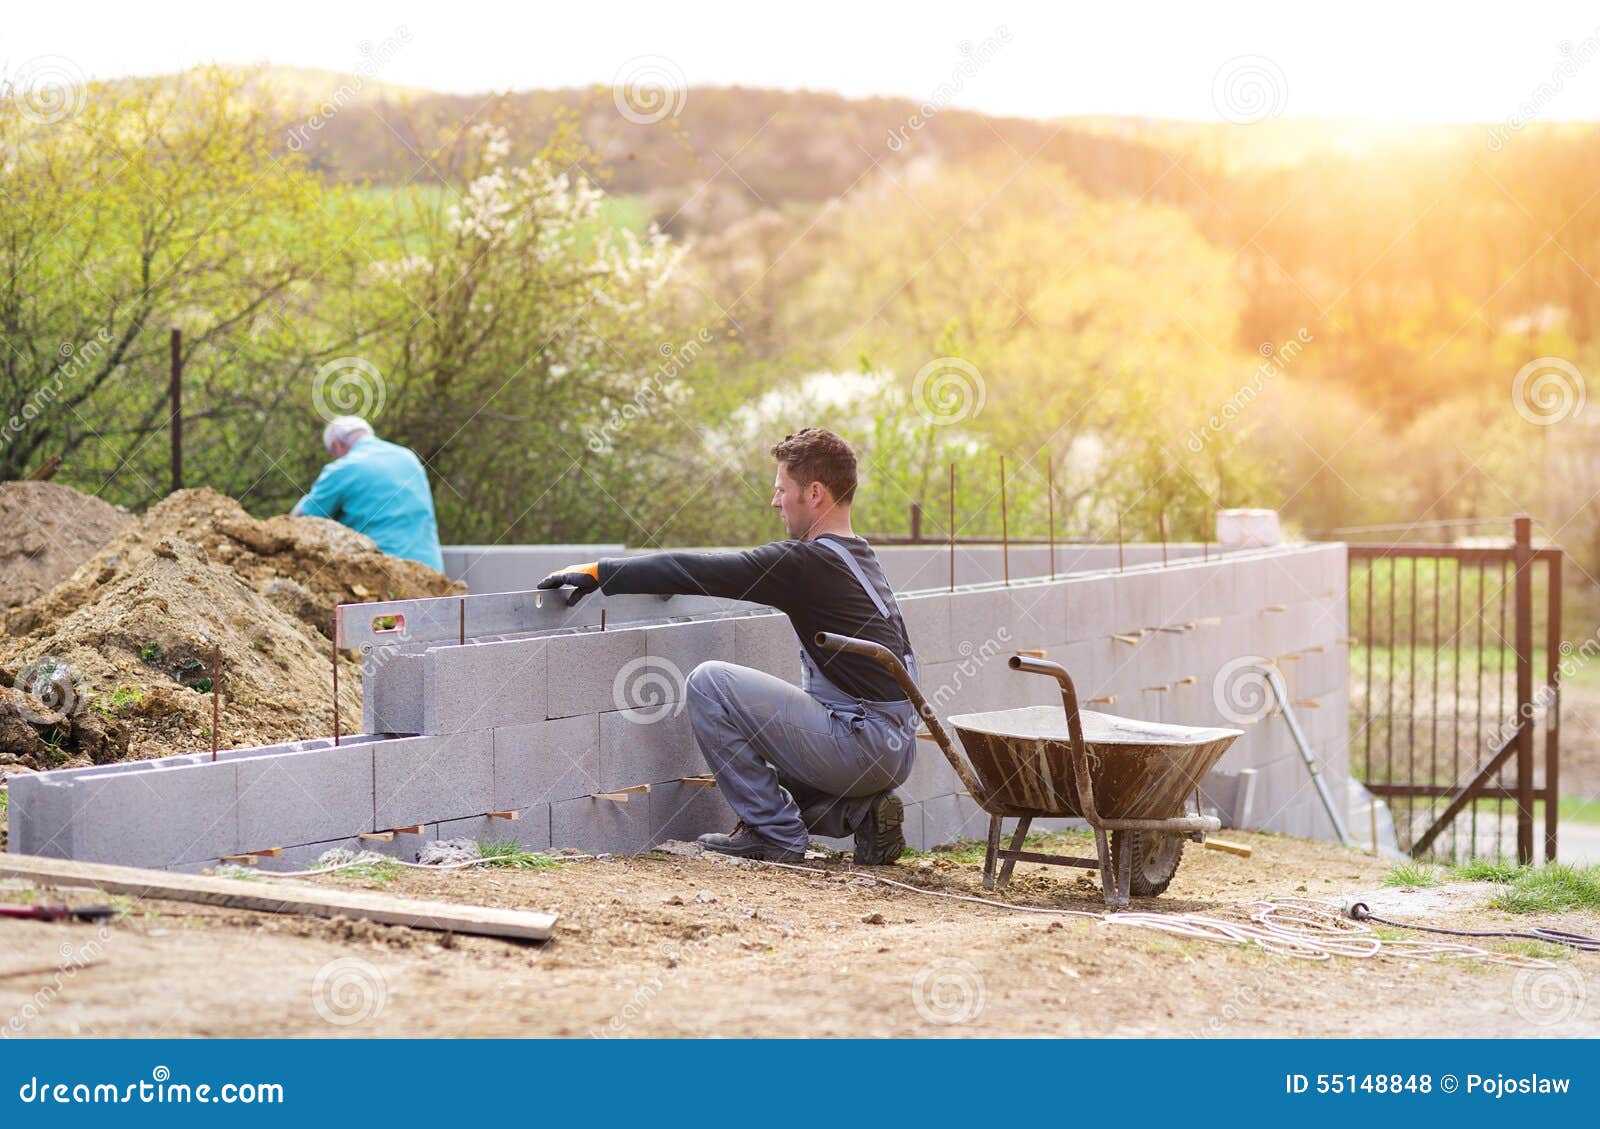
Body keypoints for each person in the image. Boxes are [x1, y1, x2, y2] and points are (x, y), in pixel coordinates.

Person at [538, 428, 920, 864]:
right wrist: (666, 580)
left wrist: (600, 571)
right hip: (893, 745)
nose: (775, 502)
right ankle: (863, 813)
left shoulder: (806, 563)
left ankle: (773, 836)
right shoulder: (858, 555)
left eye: (781, 490)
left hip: (860, 741)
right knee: (766, 772)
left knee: (710, 684)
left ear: (814, 493)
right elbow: (709, 571)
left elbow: (711, 569)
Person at [292, 416, 444, 572]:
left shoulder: (343, 468)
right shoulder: (409, 457)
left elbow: (298, 519)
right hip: (431, 572)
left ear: (336, 445)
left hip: (384, 575)